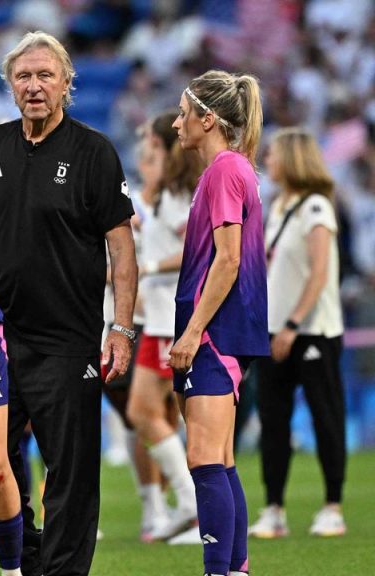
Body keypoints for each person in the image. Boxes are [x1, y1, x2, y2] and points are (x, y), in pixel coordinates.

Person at [0, 31, 138, 576]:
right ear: (10, 86)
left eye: (45, 76)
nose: (34, 86)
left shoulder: (94, 151)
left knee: (72, 470)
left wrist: (122, 327)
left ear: (66, 83)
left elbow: (122, 246)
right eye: (23, 76)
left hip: (69, 338)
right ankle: (27, 554)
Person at [169, 70, 268, 576]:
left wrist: (191, 331)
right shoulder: (230, 169)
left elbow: (227, 260)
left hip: (215, 332)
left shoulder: (226, 168)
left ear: (208, 119)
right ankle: (234, 569)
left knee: (204, 458)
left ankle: (217, 571)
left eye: (183, 113)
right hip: (224, 330)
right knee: (221, 460)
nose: (175, 122)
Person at [249, 127, 347, 539]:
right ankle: (274, 508)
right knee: (273, 421)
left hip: (313, 331)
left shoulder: (317, 209)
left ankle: (332, 506)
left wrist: (292, 325)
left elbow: (320, 274)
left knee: (326, 418)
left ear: (291, 159)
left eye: (272, 155)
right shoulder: (278, 206)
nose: (267, 161)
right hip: (274, 331)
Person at [126, 112, 205, 544]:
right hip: (158, 316)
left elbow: (198, 248)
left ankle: (192, 502)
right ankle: (191, 505)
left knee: (143, 412)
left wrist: (149, 266)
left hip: (167, 319)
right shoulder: (163, 194)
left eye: (153, 143)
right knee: (164, 415)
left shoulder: (177, 196)